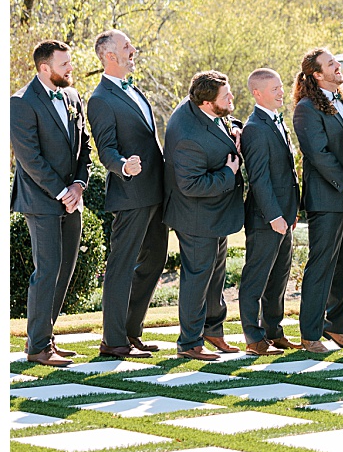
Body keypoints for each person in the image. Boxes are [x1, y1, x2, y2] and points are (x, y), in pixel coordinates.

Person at [12, 40, 92, 367]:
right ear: (45, 68)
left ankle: (45, 337)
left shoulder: (73, 96)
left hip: (73, 198)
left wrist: (79, 184)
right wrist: (62, 192)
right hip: (41, 201)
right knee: (46, 271)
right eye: (64, 65)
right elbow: (30, 158)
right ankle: (38, 348)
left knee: (64, 271)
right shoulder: (20, 102)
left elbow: (84, 146)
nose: (70, 69)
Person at [87, 30, 167, 359]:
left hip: (156, 193)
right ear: (109, 56)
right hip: (131, 193)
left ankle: (132, 332)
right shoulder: (100, 99)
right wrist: (123, 166)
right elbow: (105, 148)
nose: (133, 49)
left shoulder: (135, 91)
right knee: (121, 266)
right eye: (126, 47)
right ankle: (113, 341)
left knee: (155, 261)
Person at [163, 70, 245, 361]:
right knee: (197, 278)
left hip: (215, 214)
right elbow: (191, 184)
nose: (232, 98)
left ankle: (213, 330)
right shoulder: (187, 135)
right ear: (208, 103)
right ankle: (189, 342)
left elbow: (221, 125)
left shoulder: (204, 111)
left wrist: (234, 130)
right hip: (196, 217)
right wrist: (228, 173)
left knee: (215, 275)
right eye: (227, 96)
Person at [292, 48, 343, 353]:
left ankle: (338, 327)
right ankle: (310, 333)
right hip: (326, 198)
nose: (338, 66)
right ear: (317, 73)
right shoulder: (307, 108)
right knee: (322, 265)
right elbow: (317, 153)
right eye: (331, 64)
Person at [238, 68, 301, 357]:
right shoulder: (254, 128)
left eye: (280, 87)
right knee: (256, 278)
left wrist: (291, 212)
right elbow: (259, 178)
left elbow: (286, 173)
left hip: (284, 216)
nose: (281, 92)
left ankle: (274, 332)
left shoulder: (277, 122)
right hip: (266, 218)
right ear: (257, 93)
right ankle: (254, 338)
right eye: (274, 89)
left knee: (279, 278)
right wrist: (275, 216)